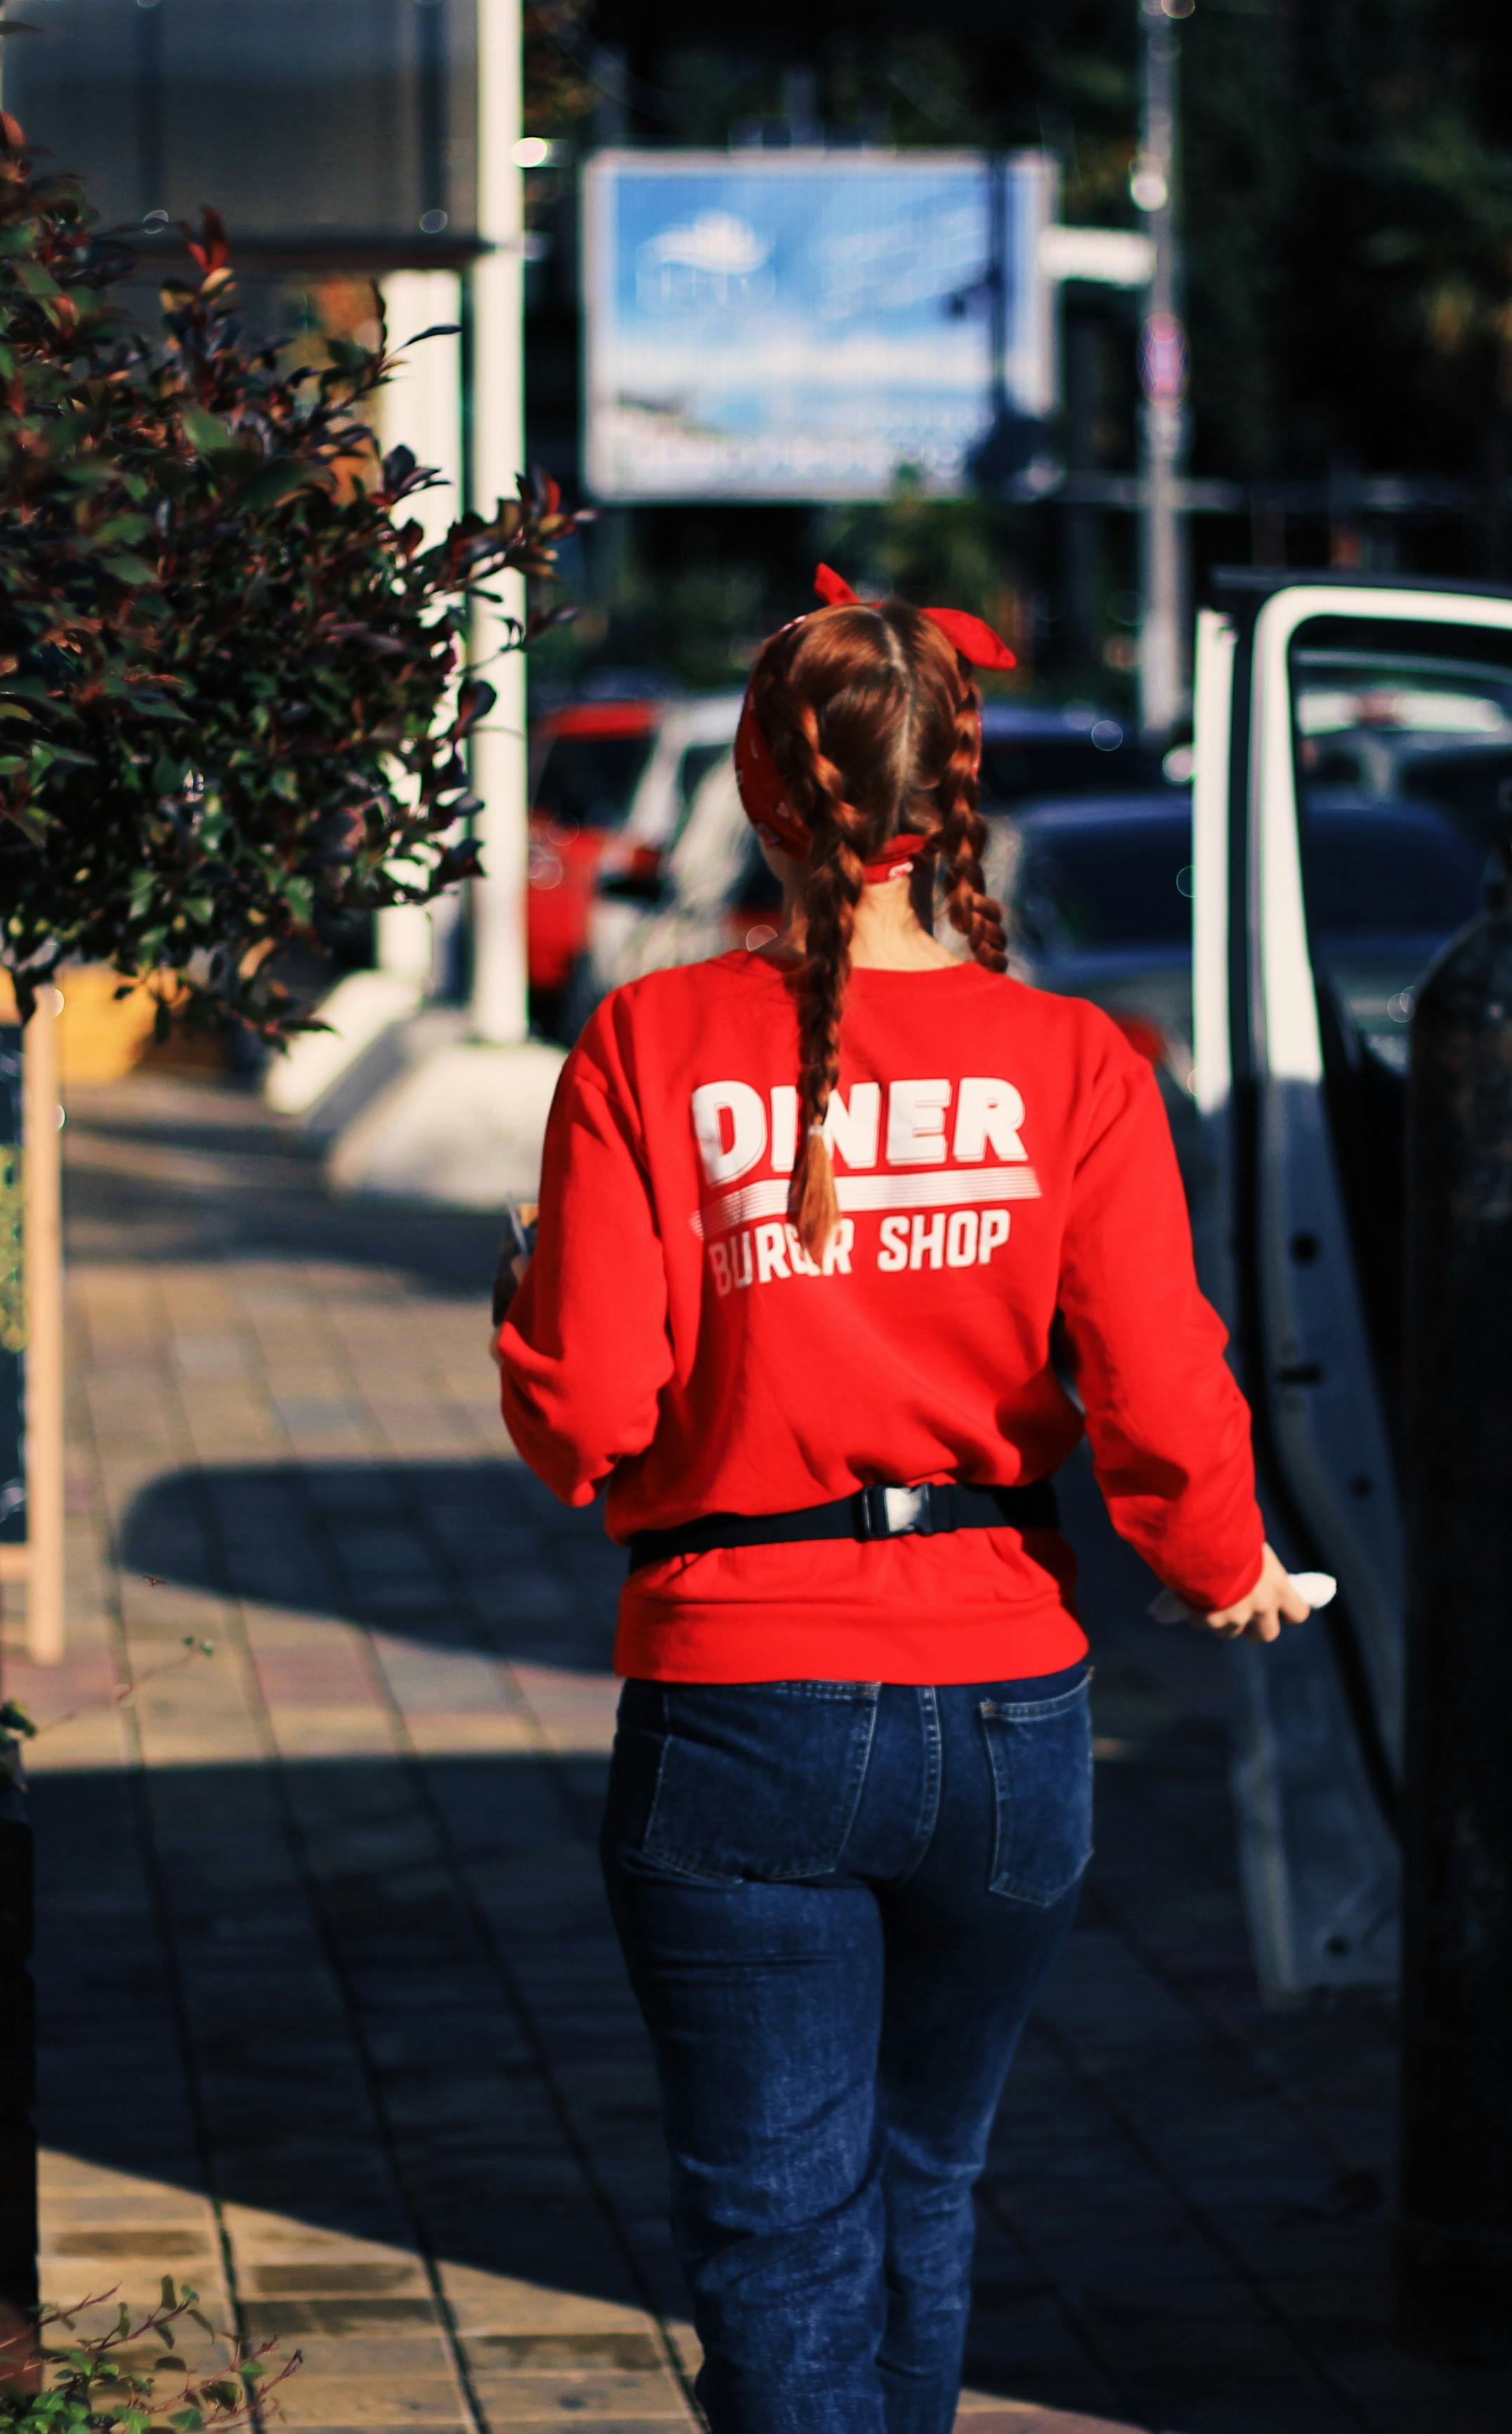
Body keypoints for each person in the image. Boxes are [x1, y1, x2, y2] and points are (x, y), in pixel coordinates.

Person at [493, 570, 1310, 2434]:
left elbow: (589, 1421)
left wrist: (523, 1326)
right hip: (1012, 1713)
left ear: (766, 804)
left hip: (741, 1701)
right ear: (958, 799)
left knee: (780, 2228)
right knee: (921, 2186)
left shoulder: (648, 1045)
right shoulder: (1082, 1066)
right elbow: (1160, 1384)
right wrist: (1230, 1562)